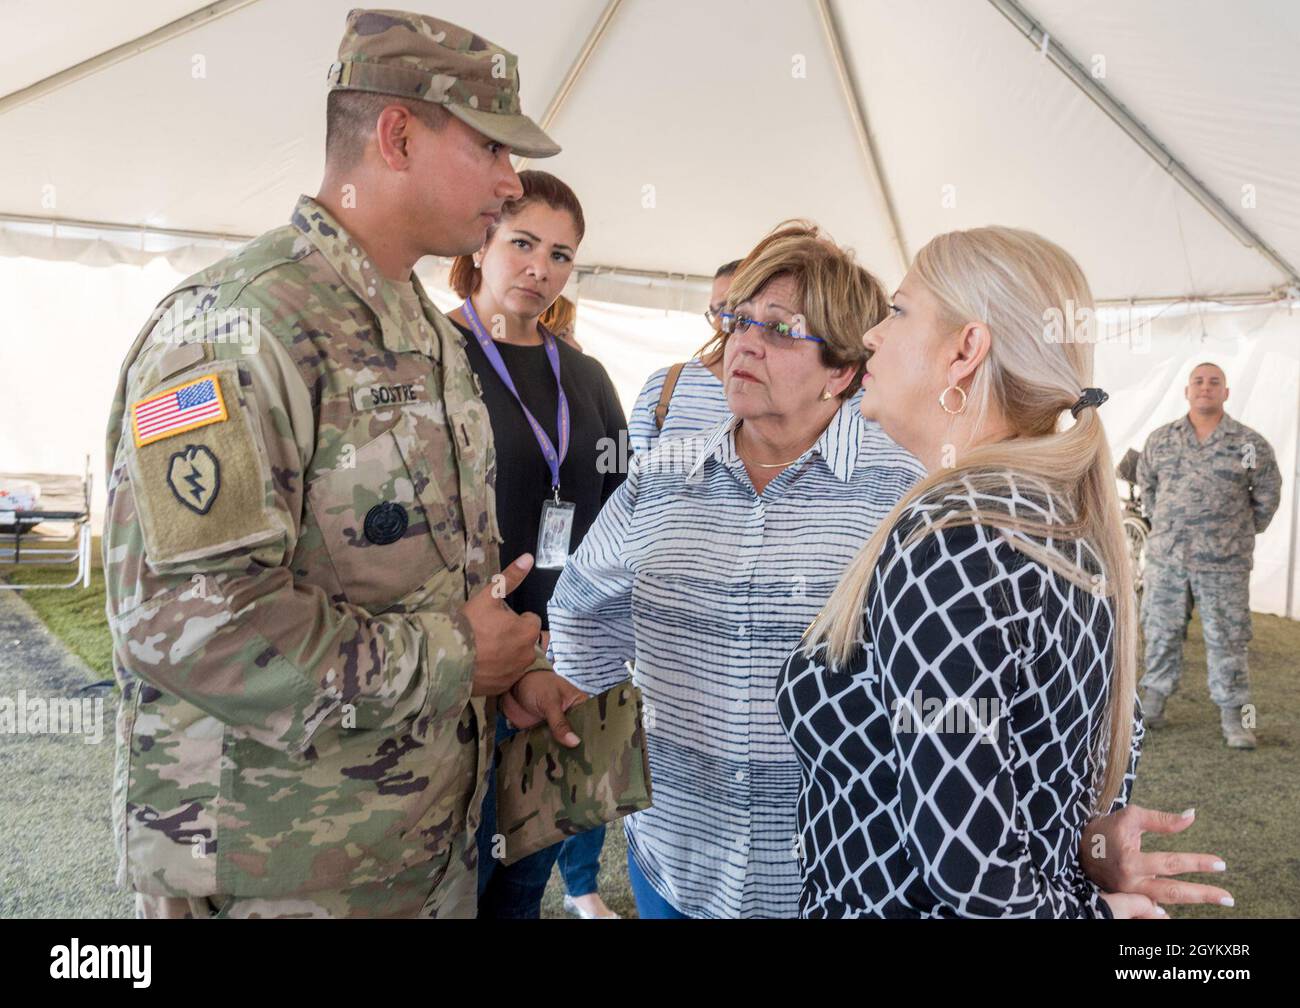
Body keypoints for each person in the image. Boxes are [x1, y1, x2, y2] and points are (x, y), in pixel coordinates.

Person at [101, 9, 569, 919]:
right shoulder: (235, 328)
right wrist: (454, 660)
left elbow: (420, 579)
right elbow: (193, 627)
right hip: (272, 875)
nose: (513, 183)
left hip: (410, 857)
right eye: (492, 148)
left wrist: (503, 671)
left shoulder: (422, 330)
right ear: (397, 135)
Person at [781, 227, 1231, 918]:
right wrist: (1088, 848)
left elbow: (970, 873)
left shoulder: (958, 541)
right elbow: (1031, 779)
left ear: (966, 350)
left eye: (898, 311)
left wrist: (1101, 916)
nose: (872, 336)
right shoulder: (1049, 516)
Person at [444, 170, 625, 919]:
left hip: (568, 668)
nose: (539, 269)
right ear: (480, 243)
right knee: (457, 888)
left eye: (560, 255)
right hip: (469, 670)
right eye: (522, 243)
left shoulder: (582, 375)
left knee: (523, 889)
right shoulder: (431, 356)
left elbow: (619, 513)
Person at [1137, 363, 1281, 748]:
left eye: (1214, 382)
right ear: (1187, 391)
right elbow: (1146, 488)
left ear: (1226, 393)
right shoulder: (1161, 440)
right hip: (1168, 561)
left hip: (1225, 564)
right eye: (1198, 382)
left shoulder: (1248, 445)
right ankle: (1152, 703)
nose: (1205, 388)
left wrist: (1236, 534)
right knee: (1160, 632)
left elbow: (1267, 493)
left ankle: (1235, 719)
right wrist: (1167, 526)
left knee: (1228, 639)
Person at [627, 259, 741, 454]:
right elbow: (625, 469)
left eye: (729, 306)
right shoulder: (665, 383)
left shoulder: (788, 390)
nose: (719, 322)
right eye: (715, 311)